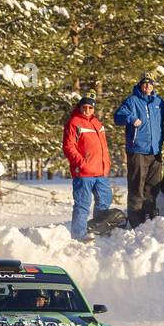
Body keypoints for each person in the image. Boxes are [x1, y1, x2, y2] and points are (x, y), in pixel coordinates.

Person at [114, 73, 164, 227]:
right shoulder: (132, 100)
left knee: (153, 184)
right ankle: (135, 218)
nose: (147, 86)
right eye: (144, 83)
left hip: (155, 149)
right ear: (140, 85)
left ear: (153, 85)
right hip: (137, 149)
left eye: (150, 83)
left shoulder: (159, 102)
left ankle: (149, 213)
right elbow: (118, 116)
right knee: (137, 184)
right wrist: (131, 119)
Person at [62, 96, 113, 239]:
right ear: (80, 107)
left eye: (90, 107)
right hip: (84, 172)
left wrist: (106, 162)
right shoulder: (74, 123)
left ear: (94, 109)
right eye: (84, 107)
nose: (87, 110)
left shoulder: (97, 123)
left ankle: (99, 228)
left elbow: (103, 146)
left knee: (105, 199)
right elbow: (68, 147)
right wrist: (81, 162)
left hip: (100, 171)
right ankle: (78, 235)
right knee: (83, 204)